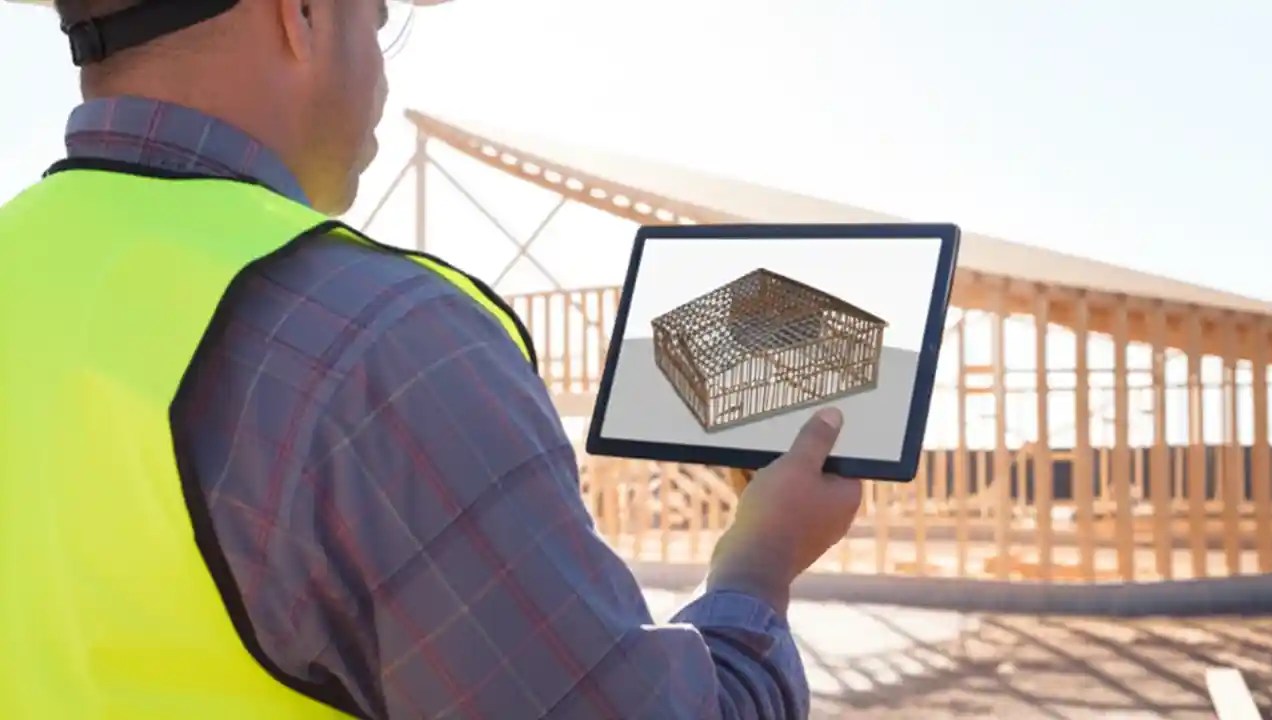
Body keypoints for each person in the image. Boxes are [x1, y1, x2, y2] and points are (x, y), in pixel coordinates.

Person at [0, 0, 865, 717]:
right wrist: (758, 563)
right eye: (379, 19)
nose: (382, 66)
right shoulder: (379, 347)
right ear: (301, 14)